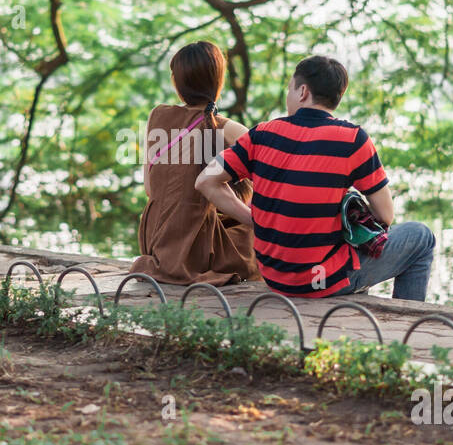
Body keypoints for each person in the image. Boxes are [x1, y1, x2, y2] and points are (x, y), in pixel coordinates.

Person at [194, 55, 434, 299]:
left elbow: (205, 181)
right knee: (422, 237)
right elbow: (386, 216)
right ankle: (406, 330)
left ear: (303, 92)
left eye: (290, 89)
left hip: (275, 277)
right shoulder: (353, 139)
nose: (289, 95)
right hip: (320, 281)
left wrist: (254, 219)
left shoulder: (261, 134)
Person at [129, 41, 261, 286]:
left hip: (154, 239)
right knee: (256, 229)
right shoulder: (228, 128)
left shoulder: (156, 116)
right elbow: (272, 173)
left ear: (177, 83)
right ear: (217, 81)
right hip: (192, 249)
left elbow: (150, 189)